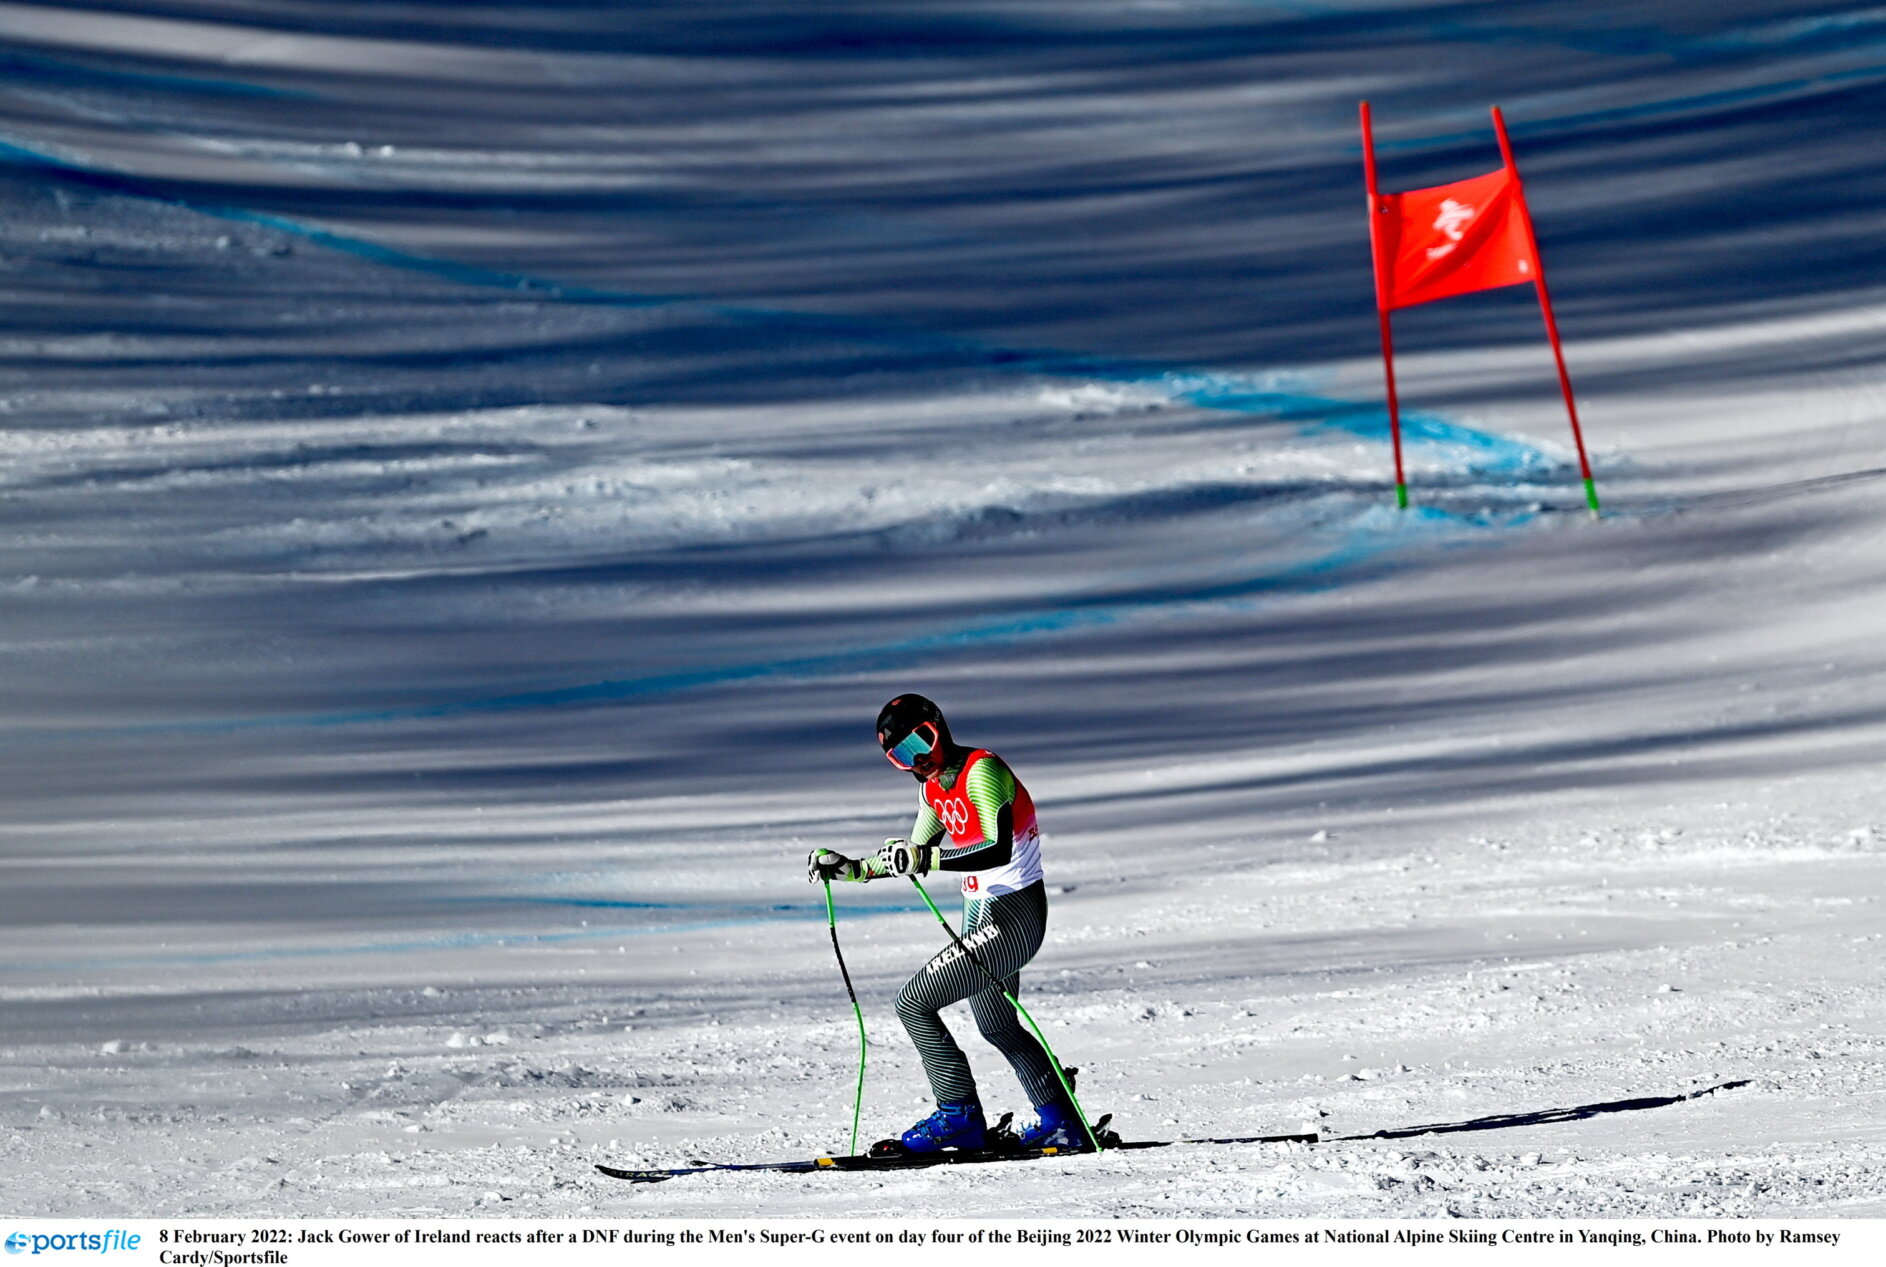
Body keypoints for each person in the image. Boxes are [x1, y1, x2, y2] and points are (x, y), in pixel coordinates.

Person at [807, 693, 1084, 1153]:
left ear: (940, 728)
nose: (919, 761)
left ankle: (959, 1118)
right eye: (903, 757)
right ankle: (1062, 1122)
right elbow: (911, 857)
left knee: (912, 1003)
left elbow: (998, 849)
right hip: (981, 918)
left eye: (922, 743)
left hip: (1012, 917)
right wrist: (853, 868)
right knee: (998, 1027)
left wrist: (927, 857)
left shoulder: (983, 771)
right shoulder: (933, 790)